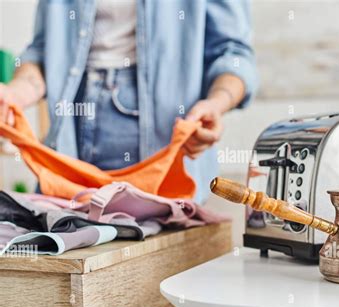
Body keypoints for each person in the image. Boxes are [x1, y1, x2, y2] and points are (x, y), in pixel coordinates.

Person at [0, 0, 258, 203]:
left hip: (162, 142)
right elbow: (44, 51)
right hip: (69, 137)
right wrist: (14, 94)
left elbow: (232, 53)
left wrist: (216, 103)